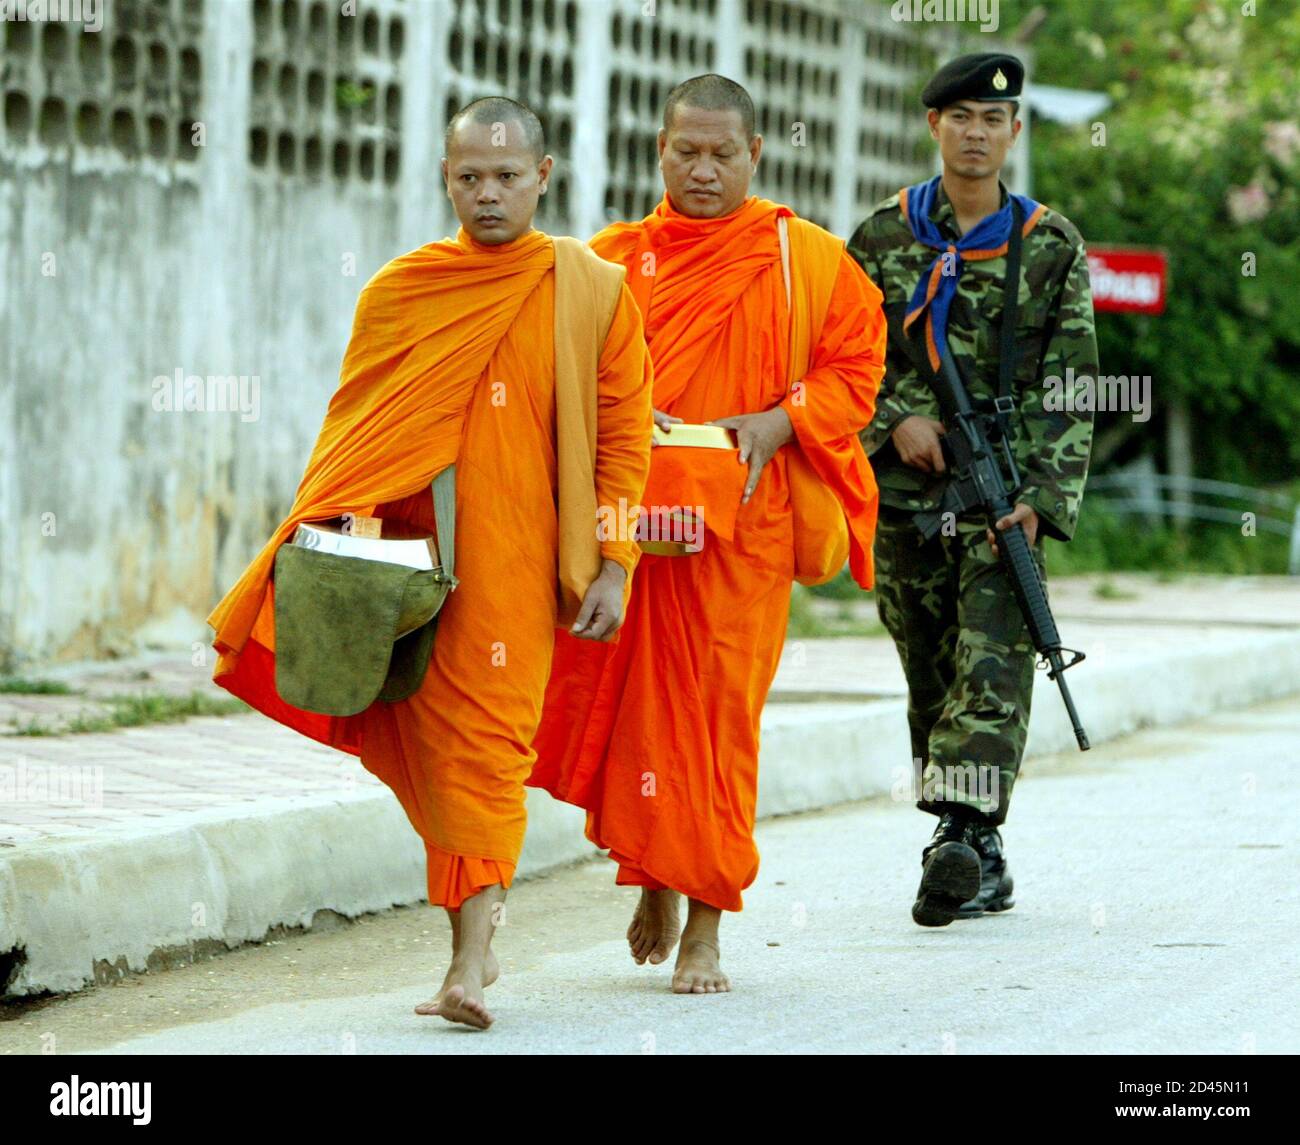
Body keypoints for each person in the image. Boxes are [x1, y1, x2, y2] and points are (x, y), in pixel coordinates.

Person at [206, 97, 653, 1026]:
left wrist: (614, 560)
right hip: (408, 566)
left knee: (485, 753)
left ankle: (469, 962)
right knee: (439, 756)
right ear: (445, 178)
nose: (487, 194)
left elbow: (622, 441)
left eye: (505, 176)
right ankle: (470, 943)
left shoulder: (593, 290)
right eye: (468, 177)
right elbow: (356, 433)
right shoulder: (403, 289)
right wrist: (326, 542)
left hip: (516, 571)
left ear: (545, 176)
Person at [529, 74, 886, 993]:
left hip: (742, 533)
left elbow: (857, 364)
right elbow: (560, 379)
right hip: (632, 533)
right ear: (660, 150)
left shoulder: (803, 259)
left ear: (756, 155)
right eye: (686, 151)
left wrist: (780, 419)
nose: (703, 169)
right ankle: (651, 870)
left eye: (723, 153)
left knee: (718, 725)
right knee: (628, 713)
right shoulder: (612, 262)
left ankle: (705, 928)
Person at [847, 53, 1097, 927]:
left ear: (1014, 132)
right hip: (908, 499)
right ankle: (975, 844)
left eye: (993, 120)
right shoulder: (883, 236)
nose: (977, 133)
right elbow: (836, 357)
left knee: (991, 663)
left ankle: (959, 832)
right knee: (932, 673)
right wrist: (890, 422)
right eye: (960, 117)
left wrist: (1043, 498)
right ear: (935, 128)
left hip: (1003, 497)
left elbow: (1071, 385)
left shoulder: (1051, 245)